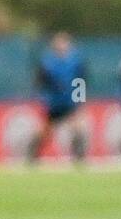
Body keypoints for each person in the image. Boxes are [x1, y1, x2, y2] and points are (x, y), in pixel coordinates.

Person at [28, 31, 86, 163]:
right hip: (54, 102)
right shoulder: (47, 62)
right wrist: (45, 95)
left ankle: (79, 156)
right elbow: (40, 81)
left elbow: (81, 80)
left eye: (65, 43)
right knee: (45, 131)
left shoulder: (75, 61)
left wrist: (80, 100)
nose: (62, 46)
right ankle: (32, 153)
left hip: (70, 102)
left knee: (77, 127)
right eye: (59, 43)